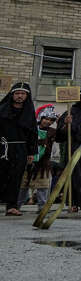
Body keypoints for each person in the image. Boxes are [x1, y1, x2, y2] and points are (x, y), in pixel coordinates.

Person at [0, 82, 35, 215]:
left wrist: (31, 152)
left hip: (21, 149)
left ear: (27, 96)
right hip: (3, 147)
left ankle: (11, 206)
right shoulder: (2, 109)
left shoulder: (29, 112)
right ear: (12, 95)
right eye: (17, 93)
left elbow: (33, 133)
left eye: (23, 94)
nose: (20, 96)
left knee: (16, 178)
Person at [22, 105, 59, 207]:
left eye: (50, 120)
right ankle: (16, 206)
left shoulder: (52, 132)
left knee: (43, 186)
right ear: (41, 118)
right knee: (23, 185)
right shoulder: (31, 128)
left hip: (43, 164)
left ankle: (42, 207)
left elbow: (63, 135)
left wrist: (62, 123)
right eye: (46, 119)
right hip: (28, 161)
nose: (48, 121)